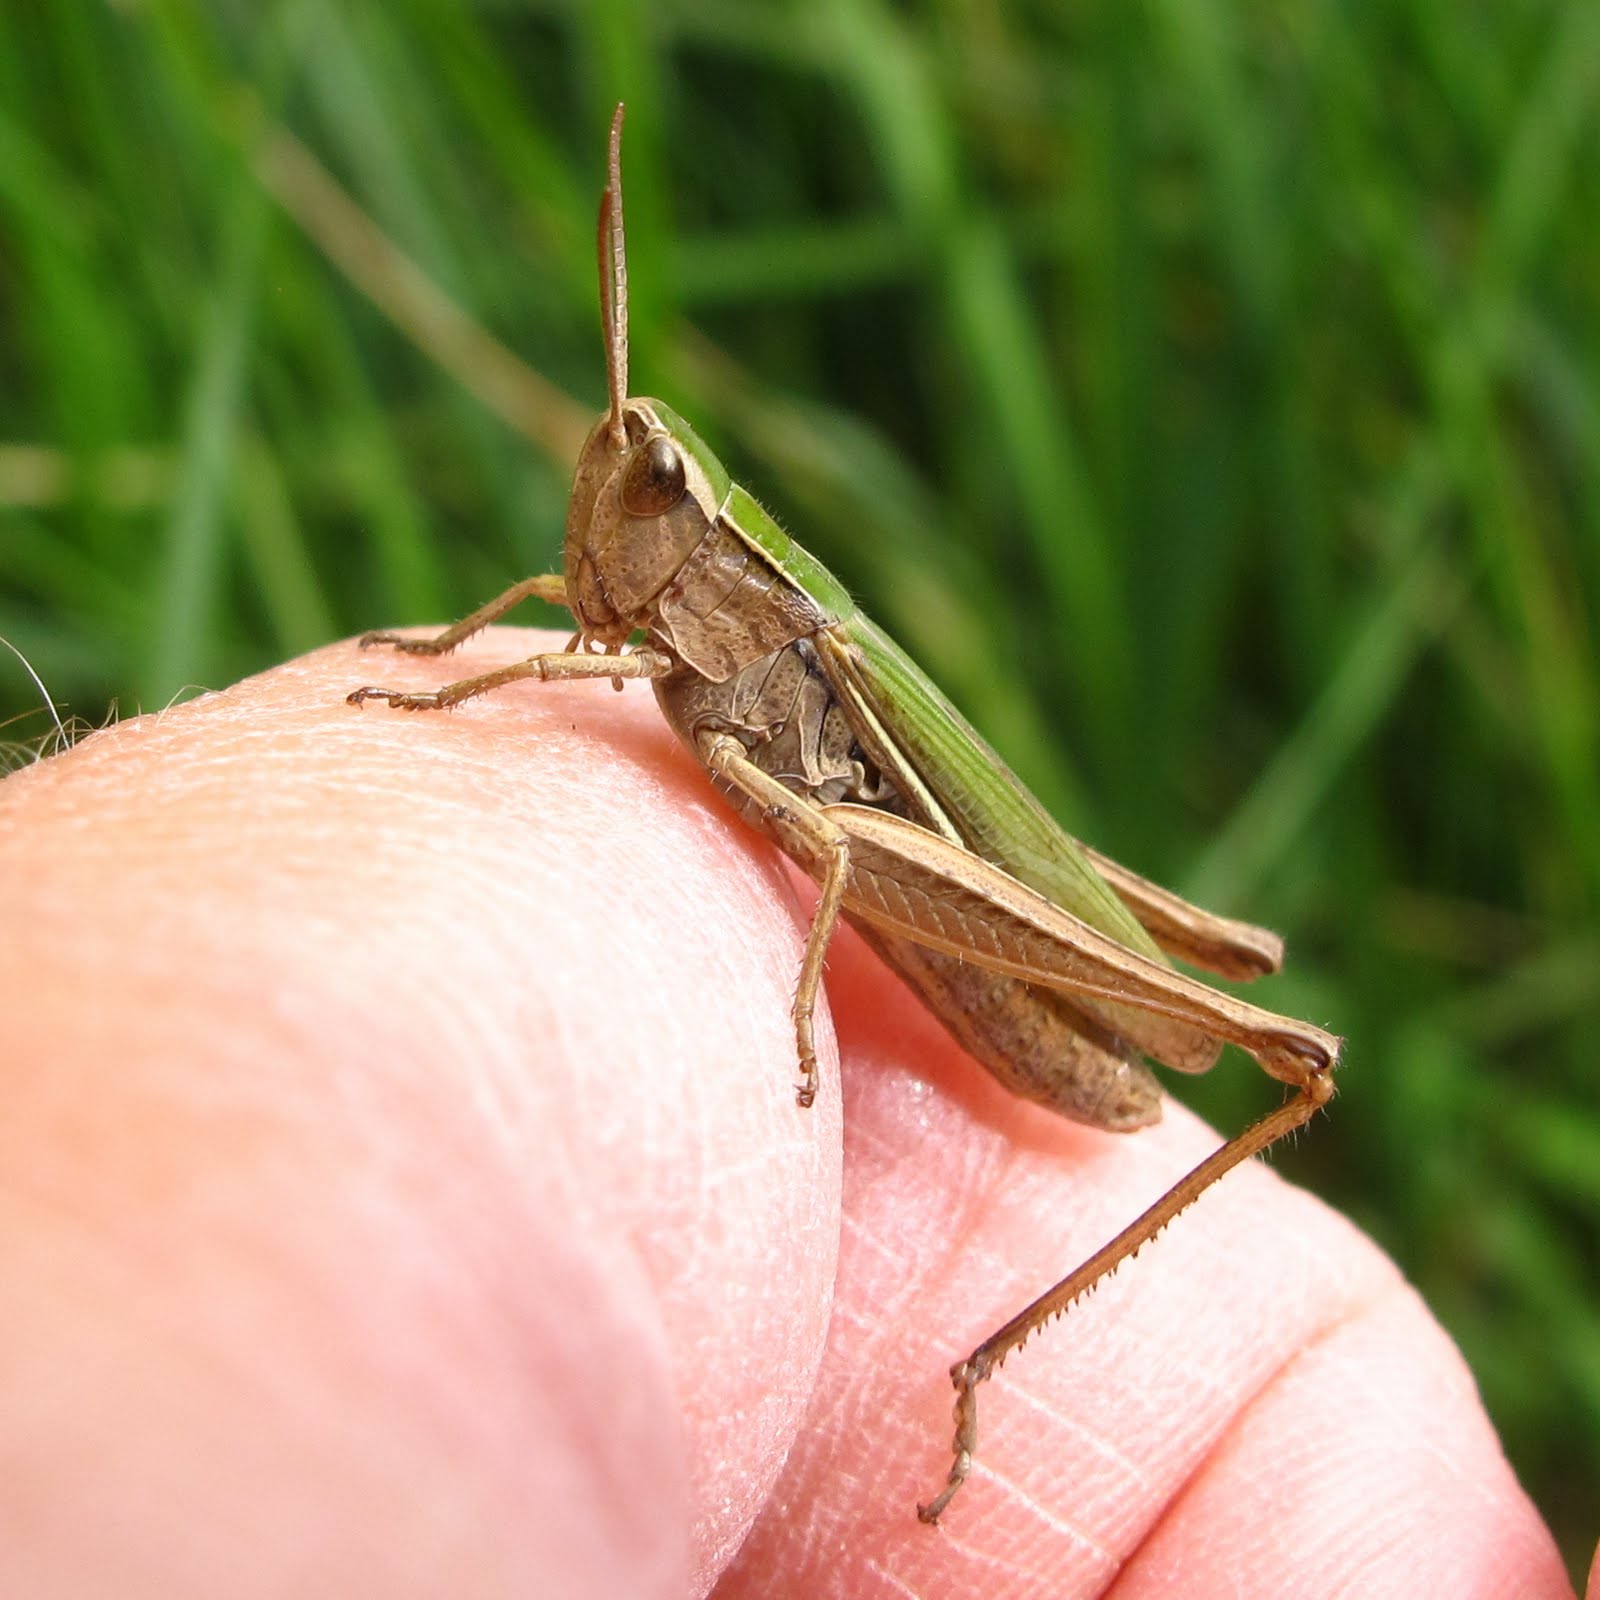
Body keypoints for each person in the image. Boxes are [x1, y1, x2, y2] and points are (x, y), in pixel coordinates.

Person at [0, 632, 1584, 1598]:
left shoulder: (783, 656)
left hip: (976, 933)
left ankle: (988, 1367)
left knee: (1264, 1038)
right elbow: (563, 632)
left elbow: (828, 847)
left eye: (659, 489)